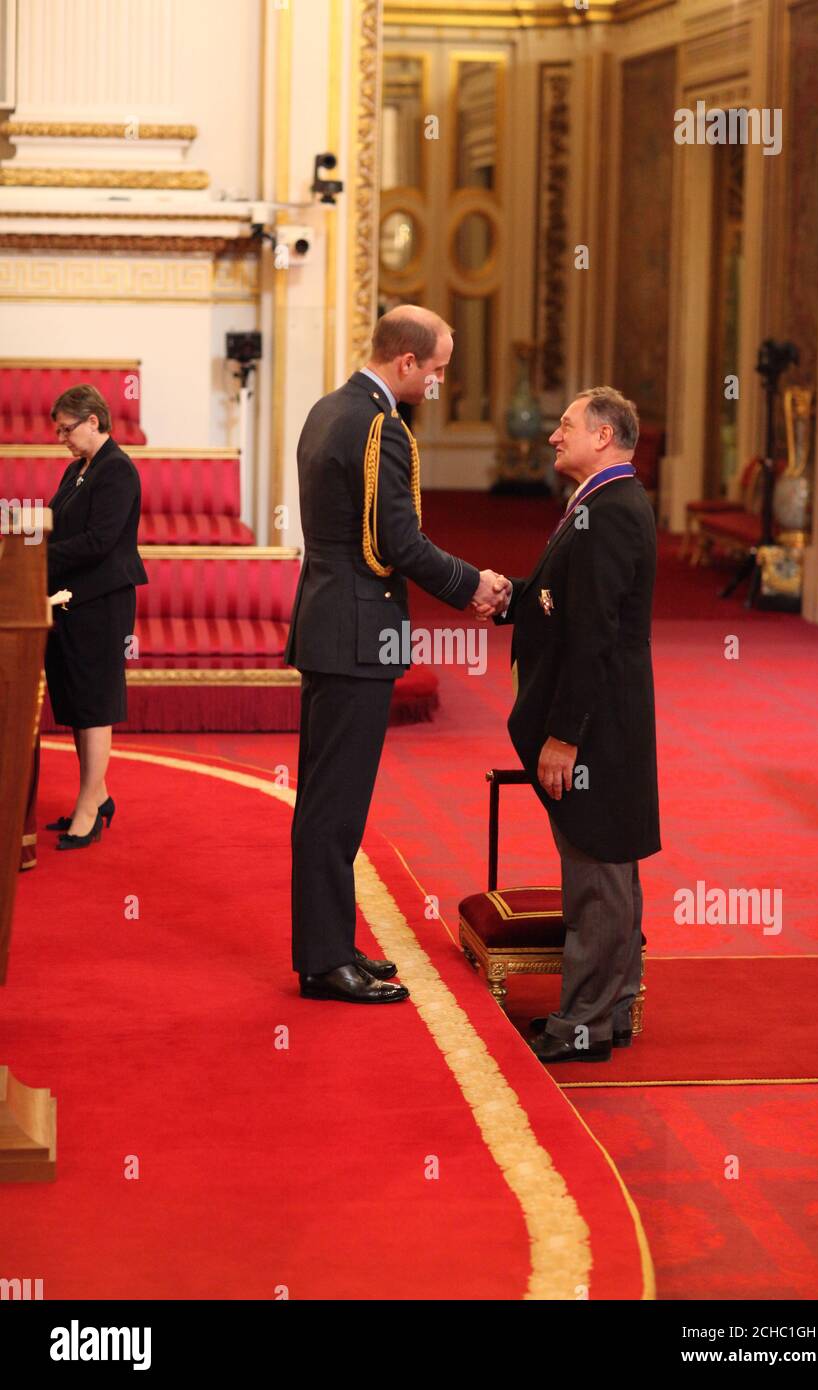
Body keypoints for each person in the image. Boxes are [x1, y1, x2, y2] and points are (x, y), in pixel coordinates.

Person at [287, 305, 509, 1004]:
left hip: (328, 621)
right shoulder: (380, 425)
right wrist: (473, 585)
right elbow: (396, 544)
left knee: (327, 800)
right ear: (406, 361)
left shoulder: (329, 407)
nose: (440, 381)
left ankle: (330, 944)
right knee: (335, 807)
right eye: (438, 368)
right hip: (355, 632)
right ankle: (324, 962)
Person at [489, 386, 660, 1062]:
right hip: (606, 715)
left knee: (596, 868)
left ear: (605, 436)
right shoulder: (600, 502)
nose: (555, 436)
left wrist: (565, 737)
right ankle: (612, 1008)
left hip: (598, 722)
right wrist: (515, 600)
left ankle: (585, 1023)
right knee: (607, 861)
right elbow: (569, 604)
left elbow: (592, 635)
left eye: (566, 425)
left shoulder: (612, 511)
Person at [43, 385, 148, 849]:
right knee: (77, 703)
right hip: (70, 601)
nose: (62, 437)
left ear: (93, 421)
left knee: (96, 703)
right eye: (59, 430)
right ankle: (97, 794)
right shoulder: (76, 470)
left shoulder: (117, 470)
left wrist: (38, 557)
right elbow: (53, 522)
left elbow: (99, 541)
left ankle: (90, 809)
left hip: (101, 603)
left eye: (68, 428)